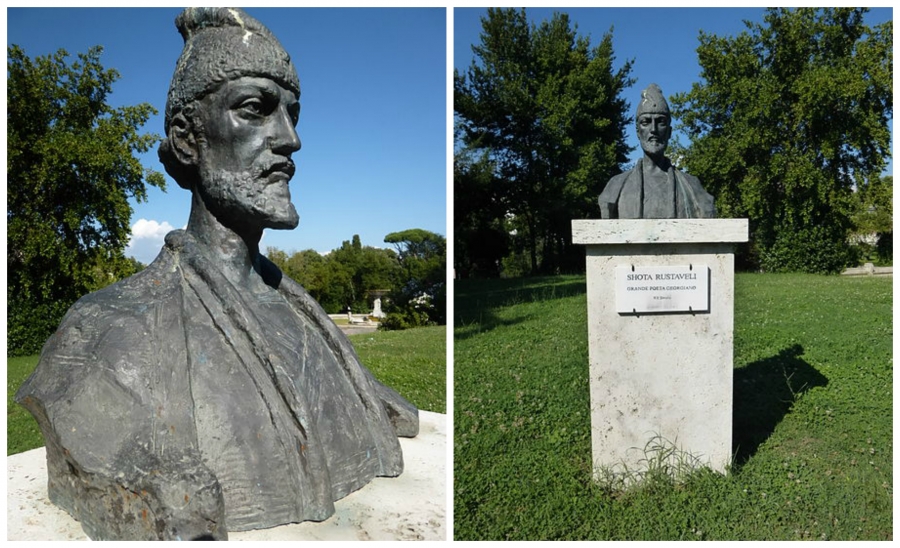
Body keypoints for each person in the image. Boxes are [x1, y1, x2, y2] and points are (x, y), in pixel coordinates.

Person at [16, 8, 417, 540]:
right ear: (188, 139)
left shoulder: (303, 315)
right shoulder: (106, 328)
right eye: (256, 109)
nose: (290, 139)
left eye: (293, 115)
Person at [598, 83, 716, 219]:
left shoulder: (692, 187)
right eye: (646, 122)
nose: (653, 129)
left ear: (669, 132)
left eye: (660, 122)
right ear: (638, 131)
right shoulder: (615, 186)